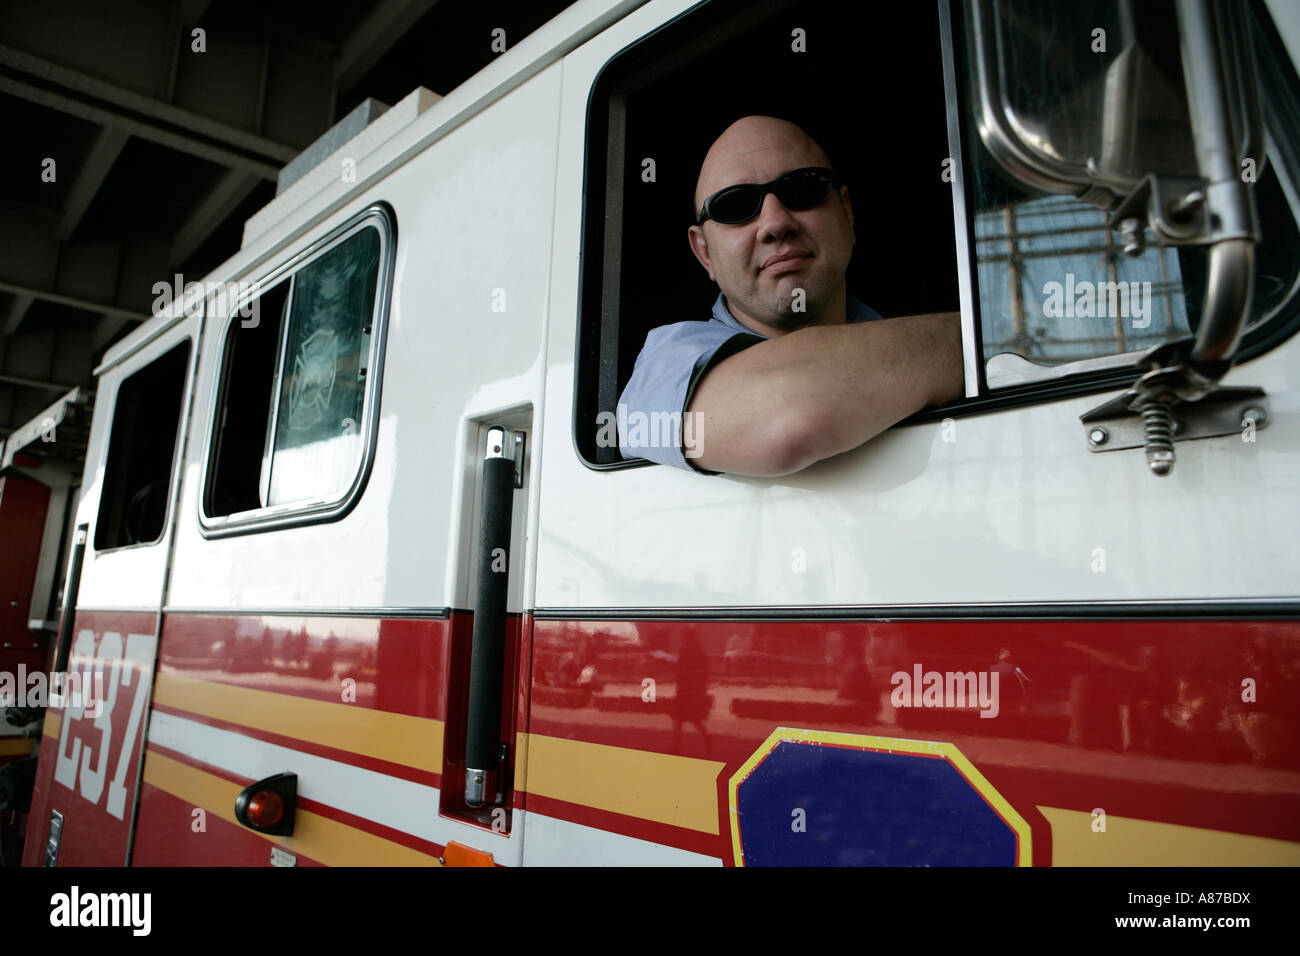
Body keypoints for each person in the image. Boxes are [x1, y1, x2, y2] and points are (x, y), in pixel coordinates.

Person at [617, 115, 964, 476]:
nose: (775, 223)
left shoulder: (904, 340)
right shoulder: (663, 368)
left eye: (802, 189)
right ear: (705, 253)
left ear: (847, 213)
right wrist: (977, 339)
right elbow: (788, 415)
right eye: (735, 206)